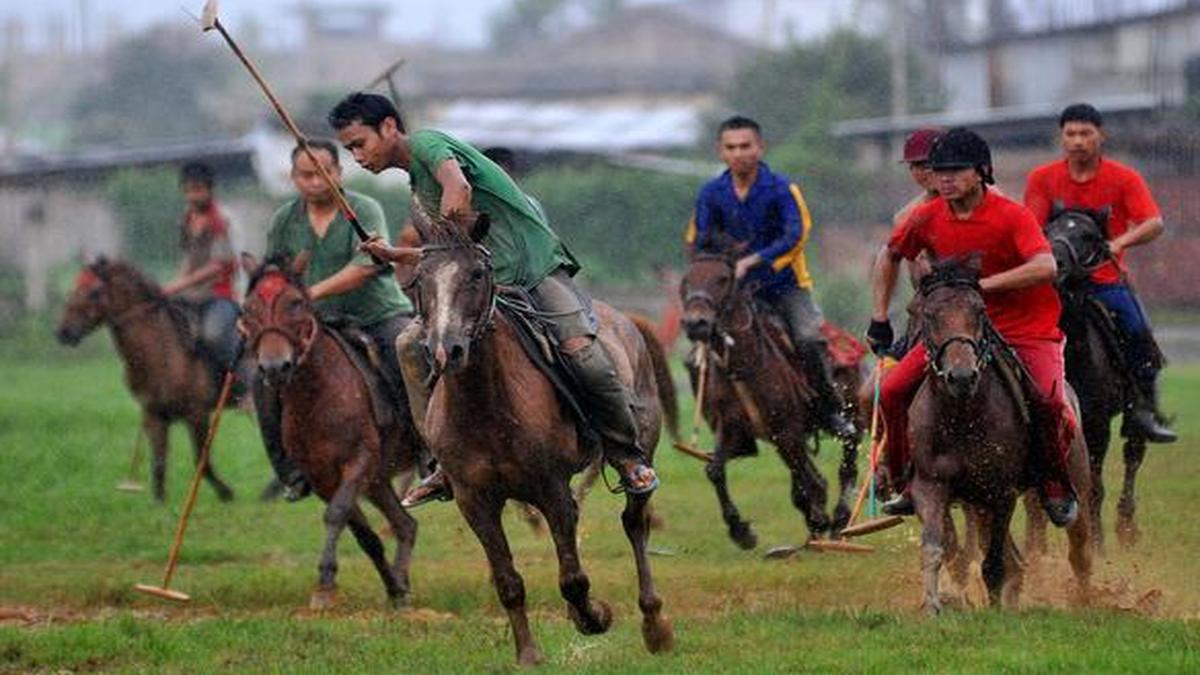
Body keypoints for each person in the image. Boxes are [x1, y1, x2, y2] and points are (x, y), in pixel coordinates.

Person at [328, 92, 658, 506]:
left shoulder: (428, 145)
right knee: (410, 344)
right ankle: (443, 461)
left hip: (533, 268)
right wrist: (396, 255)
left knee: (582, 353)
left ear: (389, 127)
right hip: (482, 283)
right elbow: (451, 254)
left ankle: (627, 456)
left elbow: (459, 186)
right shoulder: (416, 189)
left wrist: (449, 228)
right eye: (349, 150)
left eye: (360, 144)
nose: (357, 157)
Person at [867, 127, 1080, 527]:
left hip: (1023, 326)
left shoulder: (1011, 215)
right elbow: (891, 254)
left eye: (956, 171)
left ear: (981, 171)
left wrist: (983, 286)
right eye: (939, 171)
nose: (944, 179)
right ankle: (904, 479)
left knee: (1051, 402)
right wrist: (879, 316)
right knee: (892, 391)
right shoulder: (925, 216)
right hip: (958, 327)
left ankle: (1053, 482)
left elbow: (1045, 266)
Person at [255, 139, 415, 502]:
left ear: (339, 173)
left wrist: (310, 294)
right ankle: (290, 471)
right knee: (262, 378)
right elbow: (271, 275)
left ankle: (424, 447)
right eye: (306, 175)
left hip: (376, 314)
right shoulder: (284, 220)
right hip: (313, 325)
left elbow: (367, 265)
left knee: (406, 349)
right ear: (293, 177)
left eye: (323, 172)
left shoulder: (364, 209)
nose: (315, 181)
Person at [689, 115, 856, 440]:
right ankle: (723, 424)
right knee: (695, 350)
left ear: (760, 148)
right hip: (734, 290)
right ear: (721, 151)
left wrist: (754, 260)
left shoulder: (781, 188)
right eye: (731, 147)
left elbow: (797, 234)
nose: (738, 153)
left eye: (745, 146)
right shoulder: (711, 193)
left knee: (808, 338)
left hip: (784, 286)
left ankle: (830, 410)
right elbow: (700, 239)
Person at [1024, 103, 1176, 443]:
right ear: (1061, 137)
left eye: (1085, 133)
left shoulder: (1124, 178)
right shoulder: (1042, 178)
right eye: (1071, 134)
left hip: (1105, 281)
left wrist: (1119, 242)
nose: (1078, 141)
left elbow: (1153, 222)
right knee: (1016, 331)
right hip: (1055, 283)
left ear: (1100, 136)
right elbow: (1031, 227)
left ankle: (1143, 410)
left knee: (1139, 333)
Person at [162, 162, 240, 376]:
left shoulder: (220, 219)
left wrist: (179, 285)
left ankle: (245, 381)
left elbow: (218, 266)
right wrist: (174, 285)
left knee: (214, 335)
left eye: (198, 190)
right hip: (190, 294)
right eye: (188, 191)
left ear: (210, 189)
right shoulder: (187, 218)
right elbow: (189, 257)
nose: (193, 197)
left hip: (219, 294)